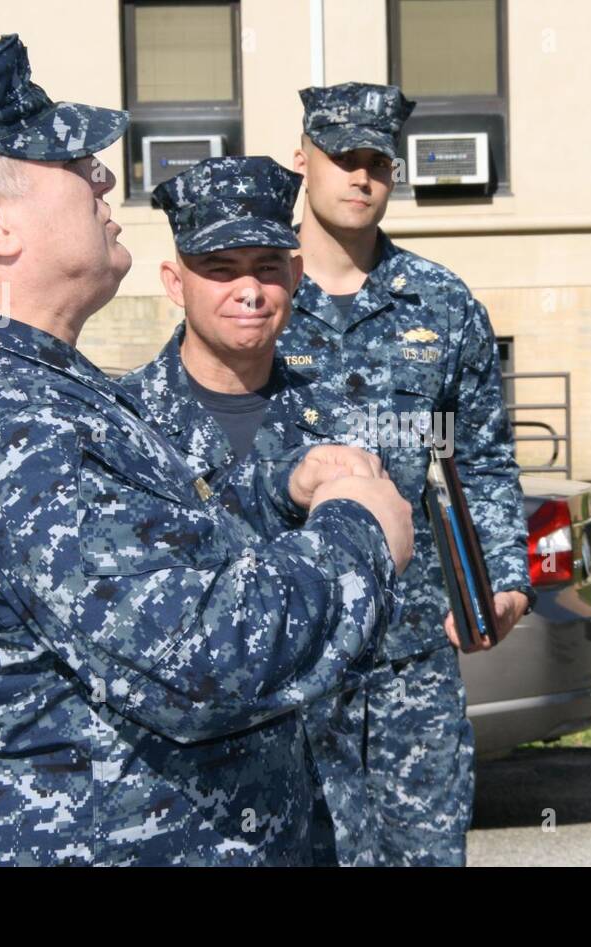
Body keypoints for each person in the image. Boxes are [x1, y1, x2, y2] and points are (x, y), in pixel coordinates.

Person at [0, 35, 412, 866]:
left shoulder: (16, 388)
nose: (102, 175)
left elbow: (152, 581)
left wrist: (284, 489)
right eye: (66, 157)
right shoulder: (2, 419)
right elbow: (208, 661)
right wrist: (358, 525)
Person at [283, 82, 533, 865]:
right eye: (342, 157)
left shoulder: (441, 301)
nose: (361, 177)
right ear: (303, 158)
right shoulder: (255, 291)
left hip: (412, 652)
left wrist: (506, 575)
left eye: (377, 162)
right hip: (289, 651)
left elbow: (479, 455)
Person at [120, 155, 380, 864]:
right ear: (175, 283)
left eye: (268, 266)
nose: (250, 290)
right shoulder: (123, 426)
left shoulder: (347, 413)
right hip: (186, 816)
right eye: (220, 267)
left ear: (296, 277)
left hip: (331, 801)